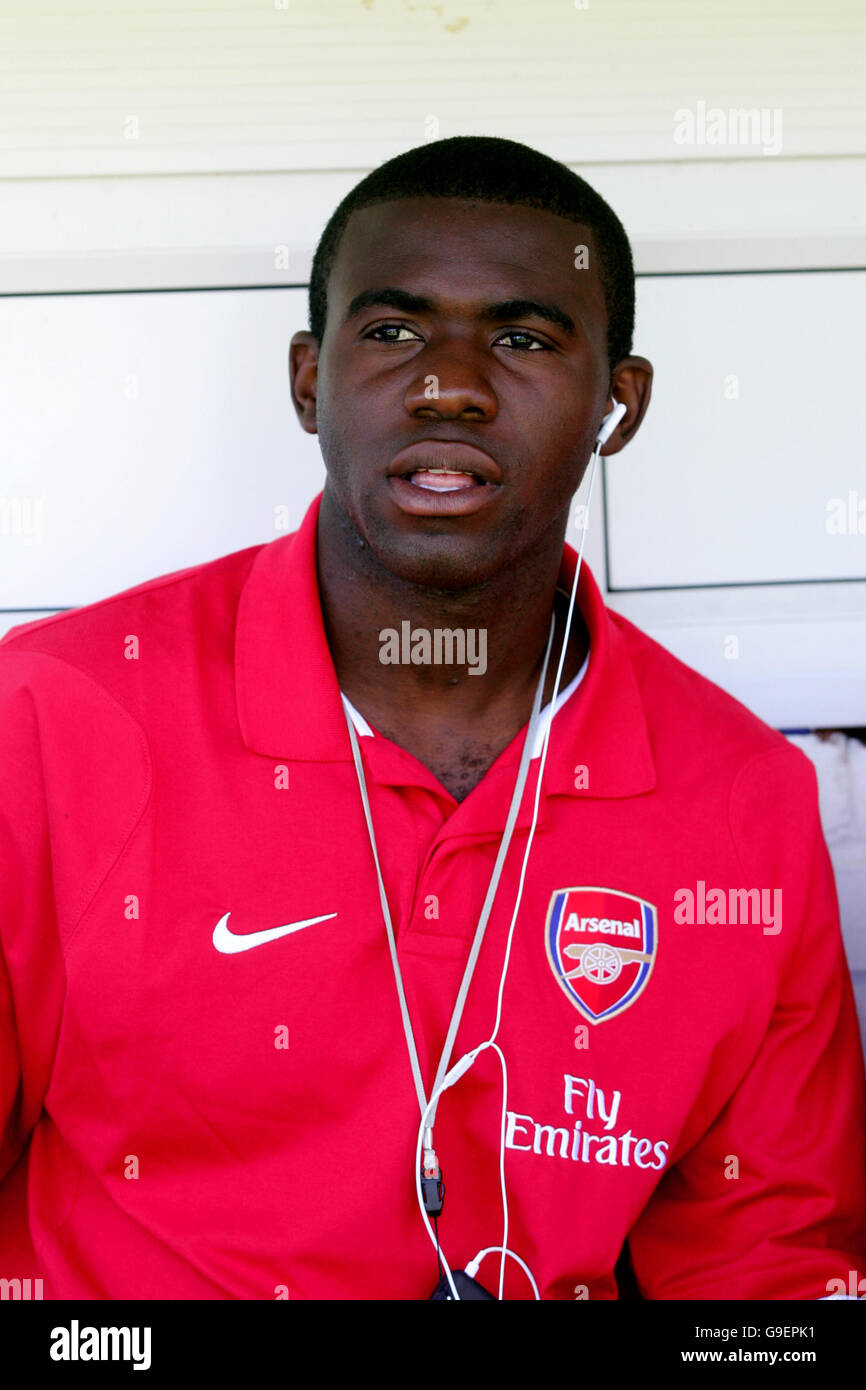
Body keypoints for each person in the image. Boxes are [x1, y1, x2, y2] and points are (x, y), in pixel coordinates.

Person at [0, 135, 863, 1301]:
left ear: (619, 402)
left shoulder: (741, 795)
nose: (447, 383)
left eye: (520, 337)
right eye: (393, 330)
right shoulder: (53, 717)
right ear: (308, 380)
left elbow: (761, 1268)